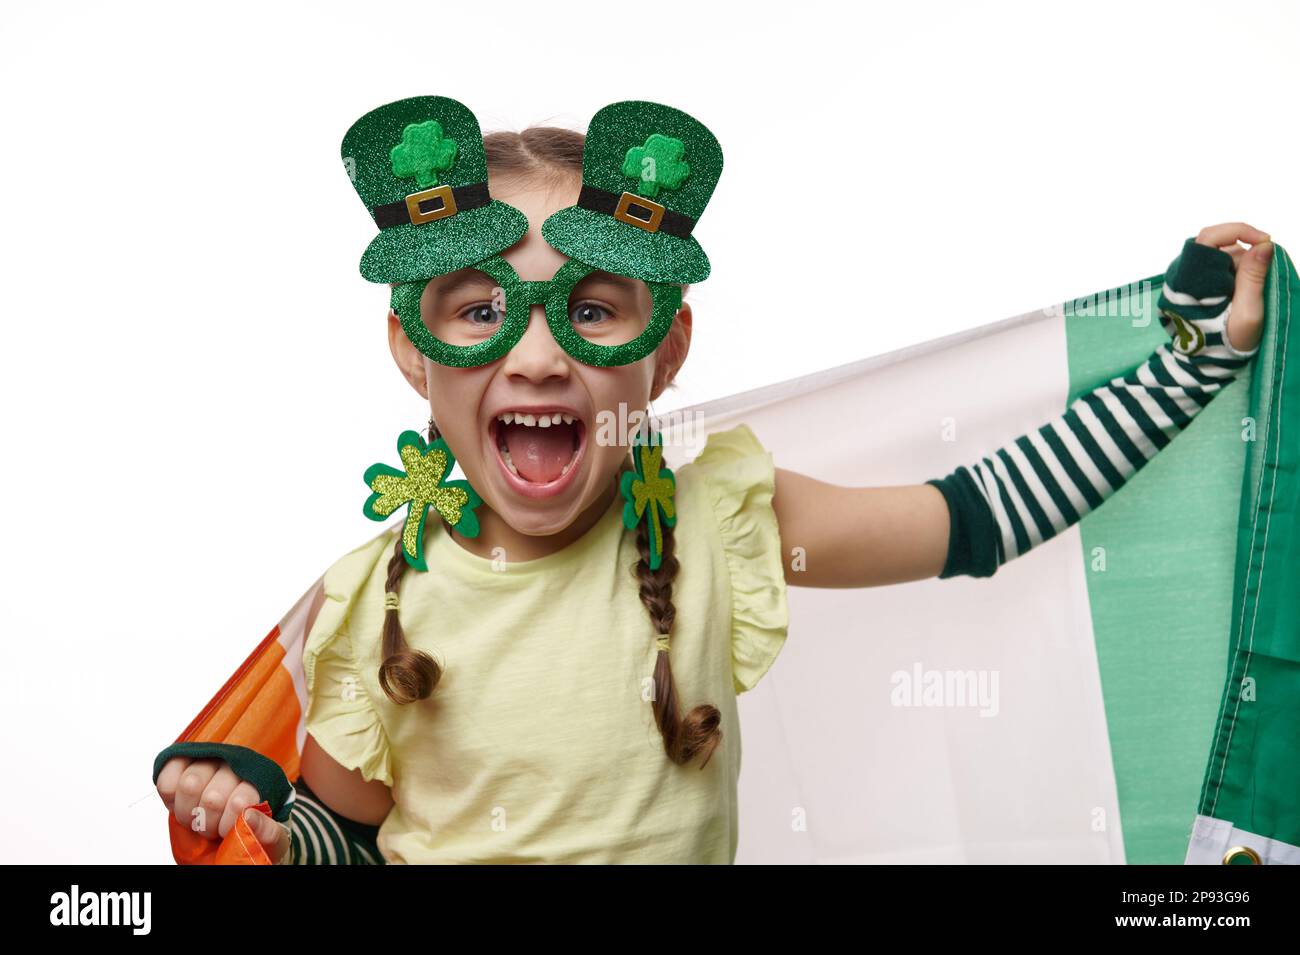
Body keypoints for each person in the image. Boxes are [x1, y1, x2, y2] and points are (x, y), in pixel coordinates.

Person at [154, 95, 1274, 864]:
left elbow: (972, 518)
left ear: (666, 350)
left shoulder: (720, 522)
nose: (537, 356)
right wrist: (241, 809)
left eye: (591, 311)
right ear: (415, 351)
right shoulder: (367, 599)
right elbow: (338, 839)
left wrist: (1189, 363)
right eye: (480, 311)